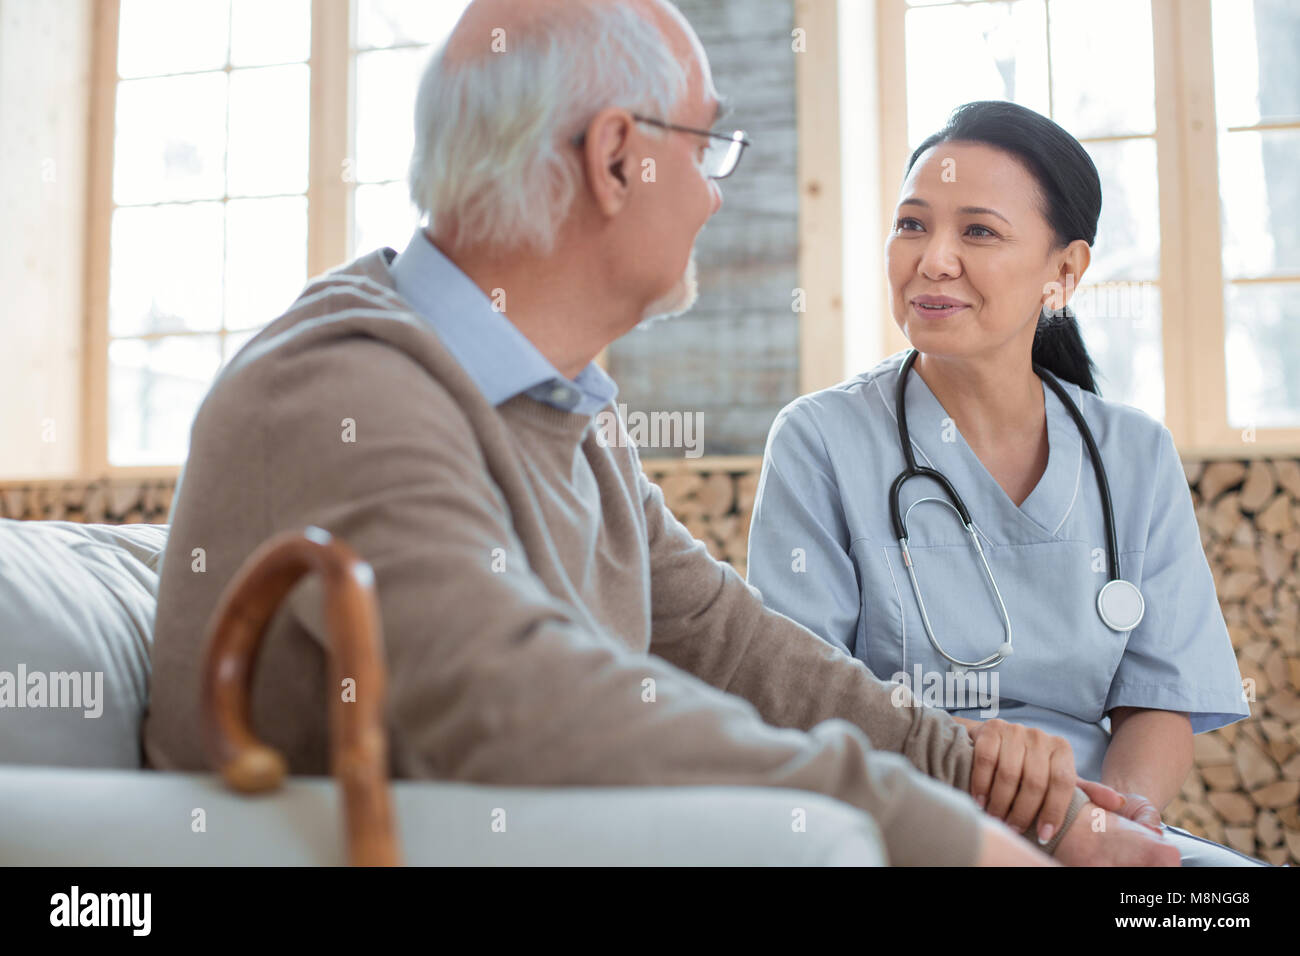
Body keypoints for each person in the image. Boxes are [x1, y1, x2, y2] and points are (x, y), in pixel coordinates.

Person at [144, 1, 1177, 866]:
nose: (716, 193)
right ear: (615, 159)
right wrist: (945, 832)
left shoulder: (564, 406)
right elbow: (520, 703)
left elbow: (728, 643)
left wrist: (972, 777)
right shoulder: (339, 392)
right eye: (707, 146)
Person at [746, 100, 1264, 865]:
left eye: (978, 231)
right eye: (912, 224)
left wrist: (1126, 825)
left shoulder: (1134, 453)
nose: (933, 259)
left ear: (1066, 271)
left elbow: (1160, 698)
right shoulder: (820, 439)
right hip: (905, 817)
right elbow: (797, 697)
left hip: (1102, 824)